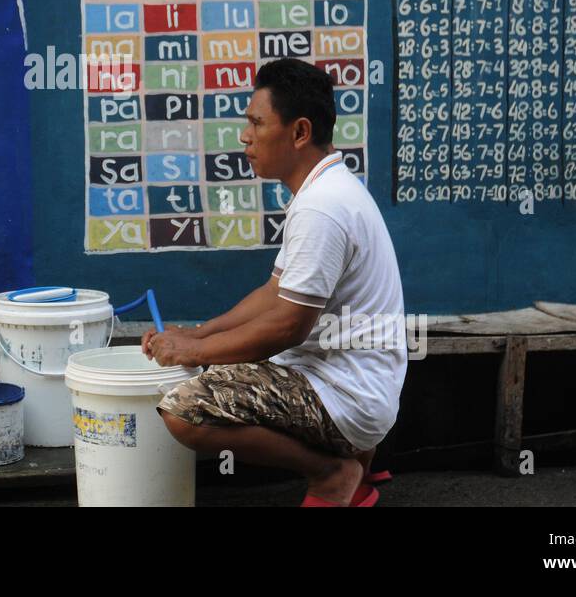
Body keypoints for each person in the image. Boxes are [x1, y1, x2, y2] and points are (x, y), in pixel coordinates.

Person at [144, 58, 407, 507]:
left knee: (183, 411)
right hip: (360, 381)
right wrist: (200, 333)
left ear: (299, 132)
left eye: (257, 122)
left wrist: (196, 353)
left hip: (348, 394)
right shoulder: (329, 188)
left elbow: (287, 326)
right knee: (221, 362)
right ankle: (357, 463)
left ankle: (331, 472)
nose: (246, 136)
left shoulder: (321, 208)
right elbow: (275, 292)